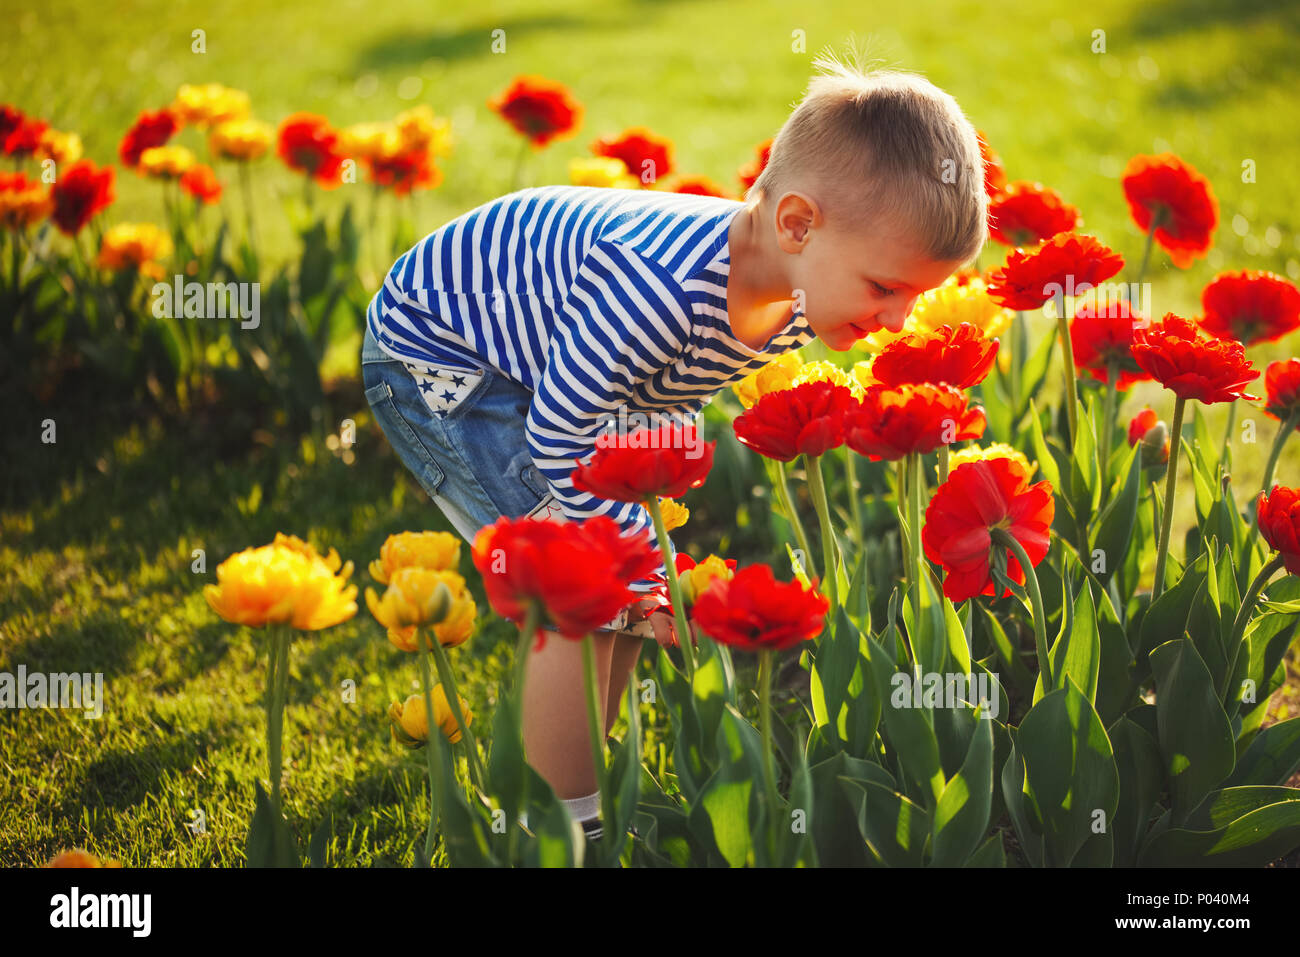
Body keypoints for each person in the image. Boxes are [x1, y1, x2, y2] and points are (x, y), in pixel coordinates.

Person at [360, 49, 988, 851]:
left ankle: (586, 784)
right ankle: (544, 829)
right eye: (884, 288)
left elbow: (666, 388)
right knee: (581, 587)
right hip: (443, 359)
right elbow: (563, 428)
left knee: (624, 590)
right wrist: (628, 549)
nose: (900, 320)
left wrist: (643, 543)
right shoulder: (654, 287)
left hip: (543, 367)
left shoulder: (791, 293)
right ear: (797, 222)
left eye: (916, 297)